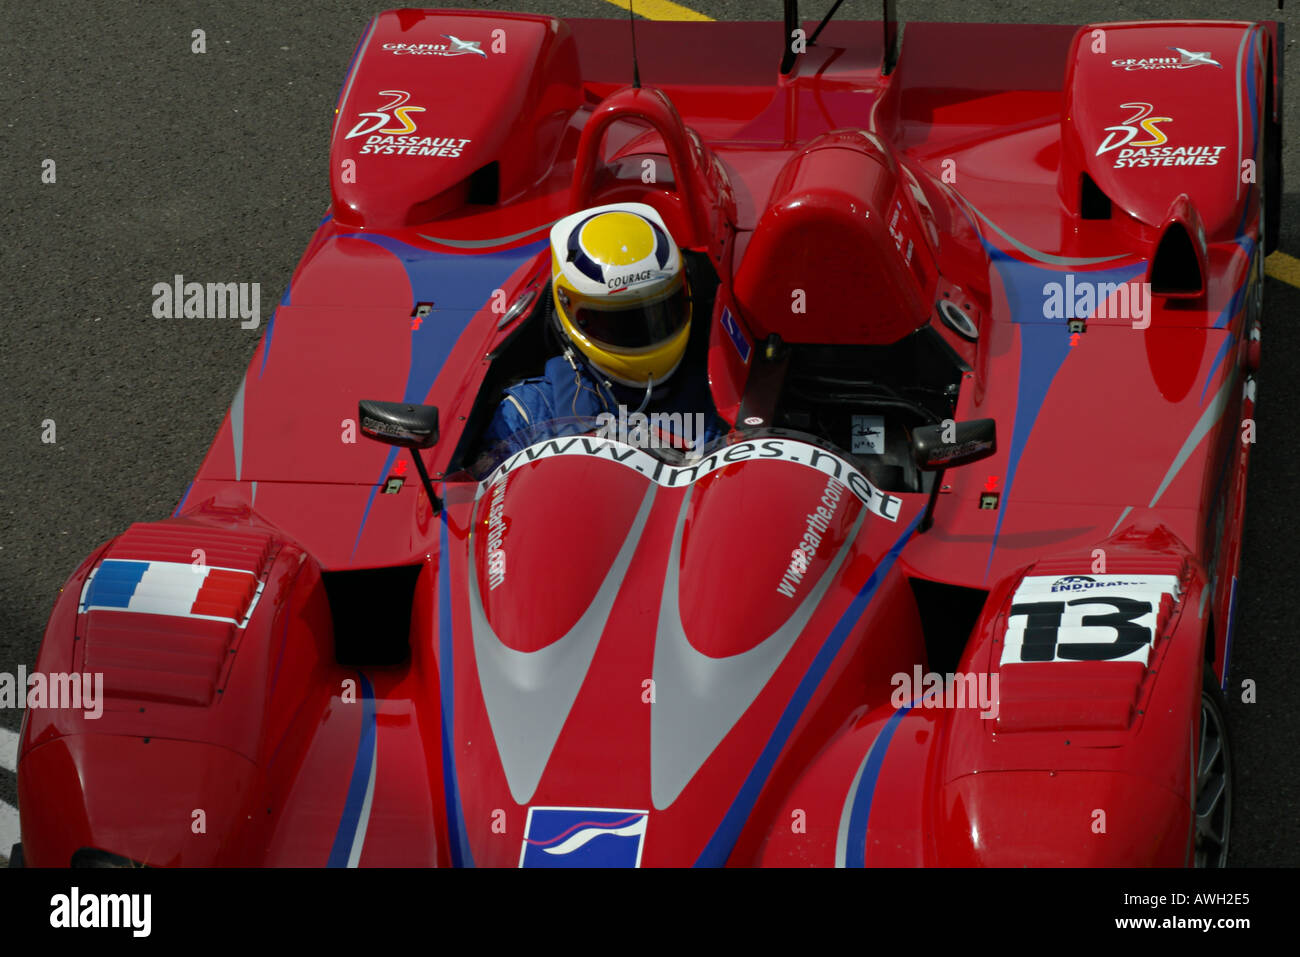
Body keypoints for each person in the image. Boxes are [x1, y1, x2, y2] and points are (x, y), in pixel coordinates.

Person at [484, 202, 725, 455]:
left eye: (657, 314)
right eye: (620, 323)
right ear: (567, 310)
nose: (641, 333)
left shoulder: (723, 390)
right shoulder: (530, 413)